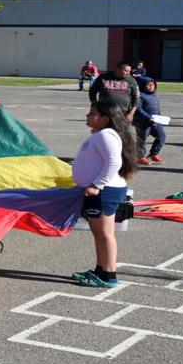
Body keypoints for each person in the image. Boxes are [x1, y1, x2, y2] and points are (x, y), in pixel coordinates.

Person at [69, 100, 139, 289]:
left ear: (106, 118)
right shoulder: (101, 134)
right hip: (102, 190)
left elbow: (114, 163)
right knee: (98, 232)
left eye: (93, 113)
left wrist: (97, 185)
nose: (88, 116)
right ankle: (100, 270)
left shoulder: (106, 135)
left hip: (104, 191)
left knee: (105, 233)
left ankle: (109, 276)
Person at [133, 78, 167, 165]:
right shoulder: (140, 95)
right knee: (142, 140)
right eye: (148, 85)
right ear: (143, 86)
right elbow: (138, 109)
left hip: (155, 121)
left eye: (153, 85)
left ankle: (154, 154)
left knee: (161, 136)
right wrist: (148, 117)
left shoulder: (155, 95)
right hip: (143, 122)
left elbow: (157, 108)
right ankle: (141, 157)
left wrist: (160, 118)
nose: (151, 87)